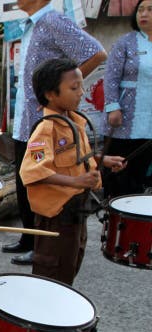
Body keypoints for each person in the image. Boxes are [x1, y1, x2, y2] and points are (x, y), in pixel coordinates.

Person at [5, 0, 106, 265]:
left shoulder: (52, 21)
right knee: (24, 179)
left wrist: (62, 90)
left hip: (45, 118)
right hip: (27, 119)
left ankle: (45, 245)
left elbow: (96, 53)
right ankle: (29, 238)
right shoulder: (29, 26)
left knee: (43, 179)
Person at [20, 59, 126, 285]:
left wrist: (103, 160)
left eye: (81, 86)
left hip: (77, 211)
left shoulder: (74, 120)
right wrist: (76, 181)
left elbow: (76, 158)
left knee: (70, 268)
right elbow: (33, 172)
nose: (81, 92)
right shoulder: (45, 129)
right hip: (57, 218)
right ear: (50, 94)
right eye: (74, 88)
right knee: (52, 276)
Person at [103, 0, 152, 198]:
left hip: (149, 124)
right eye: (140, 10)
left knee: (142, 175)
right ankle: (114, 220)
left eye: (150, 10)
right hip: (124, 122)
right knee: (120, 174)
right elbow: (111, 77)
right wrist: (113, 107)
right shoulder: (126, 42)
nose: (144, 14)